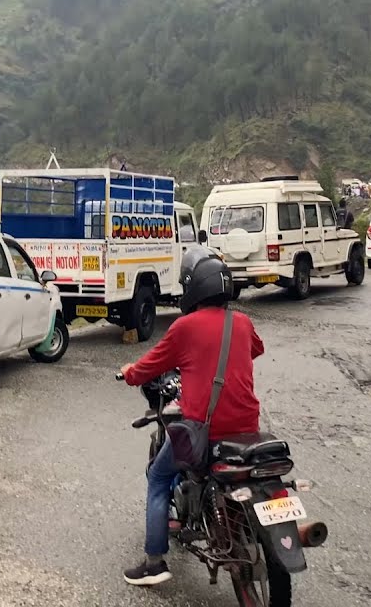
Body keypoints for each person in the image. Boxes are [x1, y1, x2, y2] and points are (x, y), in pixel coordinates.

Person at [117, 246, 264, 586]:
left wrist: (127, 372)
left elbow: (146, 368)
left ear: (193, 287)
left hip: (205, 428)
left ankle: (154, 563)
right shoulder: (241, 322)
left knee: (157, 477)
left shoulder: (185, 327)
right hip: (247, 430)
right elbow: (256, 349)